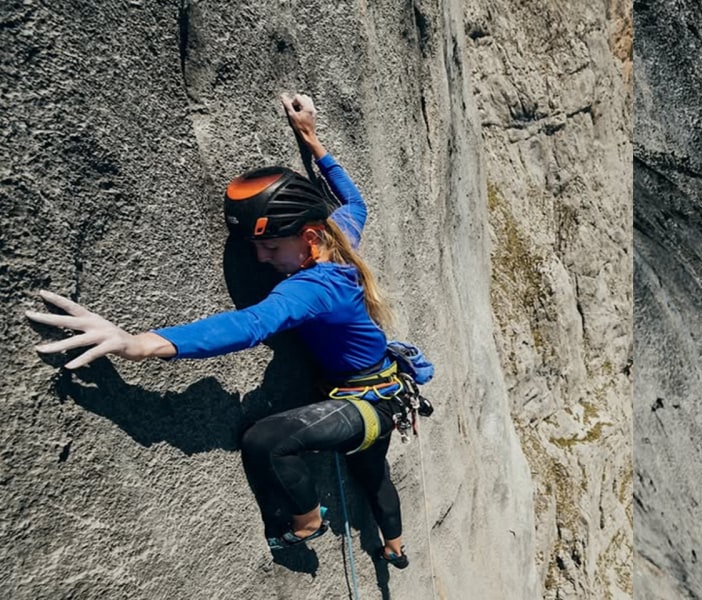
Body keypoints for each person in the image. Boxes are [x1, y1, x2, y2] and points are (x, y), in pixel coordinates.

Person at [26, 93, 421, 570]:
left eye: (271, 247)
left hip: (366, 403)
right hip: (380, 388)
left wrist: (142, 343)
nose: (261, 259)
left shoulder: (316, 287)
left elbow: (252, 323)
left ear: (309, 239)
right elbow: (355, 202)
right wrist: (311, 137)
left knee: (267, 440)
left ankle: (307, 522)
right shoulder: (340, 237)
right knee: (371, 472)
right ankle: (395, 548)